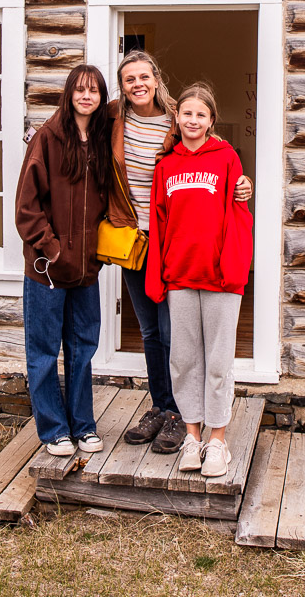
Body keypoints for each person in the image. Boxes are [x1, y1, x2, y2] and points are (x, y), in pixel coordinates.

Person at [107, 51, 252, 454]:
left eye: (144, 76)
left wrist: (241, 182)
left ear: (157, 79)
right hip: (135, 237)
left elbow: (208, 142)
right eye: (129, 78)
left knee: (178, 335)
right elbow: (75, 121)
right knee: (151, 331)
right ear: (123, 86)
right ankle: (162, 407)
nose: (137, 84)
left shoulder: (177, 117)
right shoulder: (113, 119)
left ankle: (181, 418)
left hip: (181, 242)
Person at [146, 83, 254, 478]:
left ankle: (218, 442)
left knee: (219, 363)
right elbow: (158, 225)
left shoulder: (226, 159)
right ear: (178, 117)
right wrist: (159, 276)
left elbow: (240, 218)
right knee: (184, 360)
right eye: (186, 113)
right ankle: (192, 436)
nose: (192, 120)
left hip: (221, 278)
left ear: (211, 121)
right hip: (180, 276)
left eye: (200, 115)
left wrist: (235, 270)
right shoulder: (166, 166)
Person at [15, 65, 111, 456]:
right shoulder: (46, 139)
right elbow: (26, 208)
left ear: (102, 97)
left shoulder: (104, 139)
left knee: (82, 349)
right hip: (47, 270)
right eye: (80, 90)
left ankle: (82, 426)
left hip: (86, 269)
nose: (87, 97)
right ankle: (54, 430)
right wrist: (52, 249)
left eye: (95, 91)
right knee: (42, 352)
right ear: (69, 93)